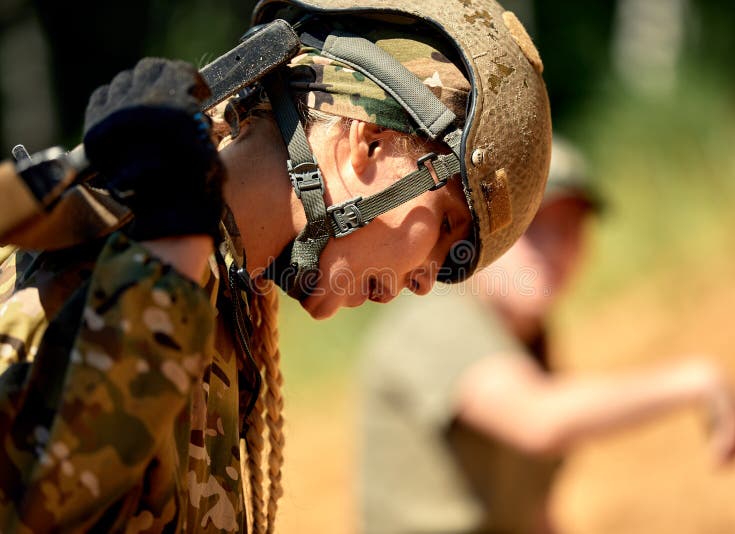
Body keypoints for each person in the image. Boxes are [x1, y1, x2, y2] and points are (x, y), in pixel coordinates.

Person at [0, 1, 551, 532]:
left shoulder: (221, 296)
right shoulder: (88, 270)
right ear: (371, 143)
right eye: (447, 225)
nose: (427, 278)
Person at [359, 137, 735, 534]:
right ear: (479, 232)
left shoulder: (525, 340)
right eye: (531, 227)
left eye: (568, 228)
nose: (552, 249)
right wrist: (695, 380)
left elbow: (529, 514)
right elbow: (539, 419)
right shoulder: (439, 315)